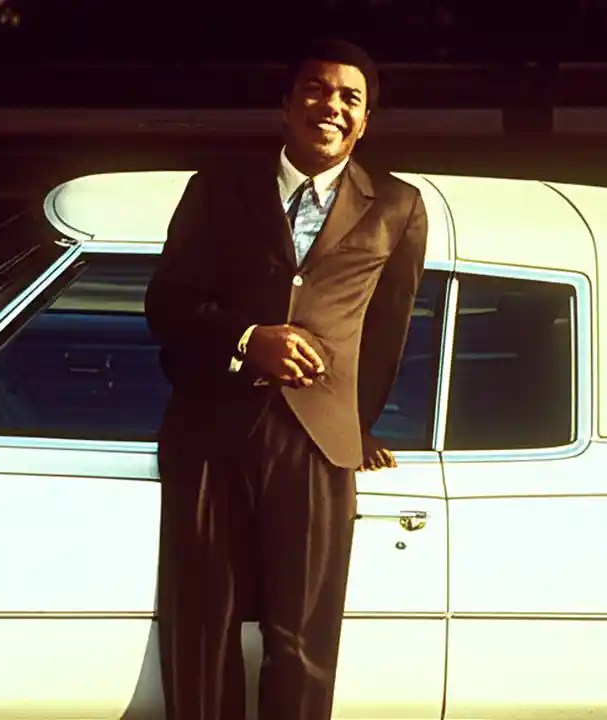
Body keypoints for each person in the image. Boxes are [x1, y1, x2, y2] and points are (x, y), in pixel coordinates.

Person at [144, 38, 428, 720]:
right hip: (210, 432)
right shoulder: (216, 189)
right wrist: (248, 340)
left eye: (349, 98)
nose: (329, 105)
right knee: (202, 634)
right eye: (316, 89)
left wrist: (357, 427)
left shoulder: (397, 206)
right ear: (285, 103)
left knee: (302, 642)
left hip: (317, 444)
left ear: (365, 122)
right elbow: (168, 303)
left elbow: (387, 333)